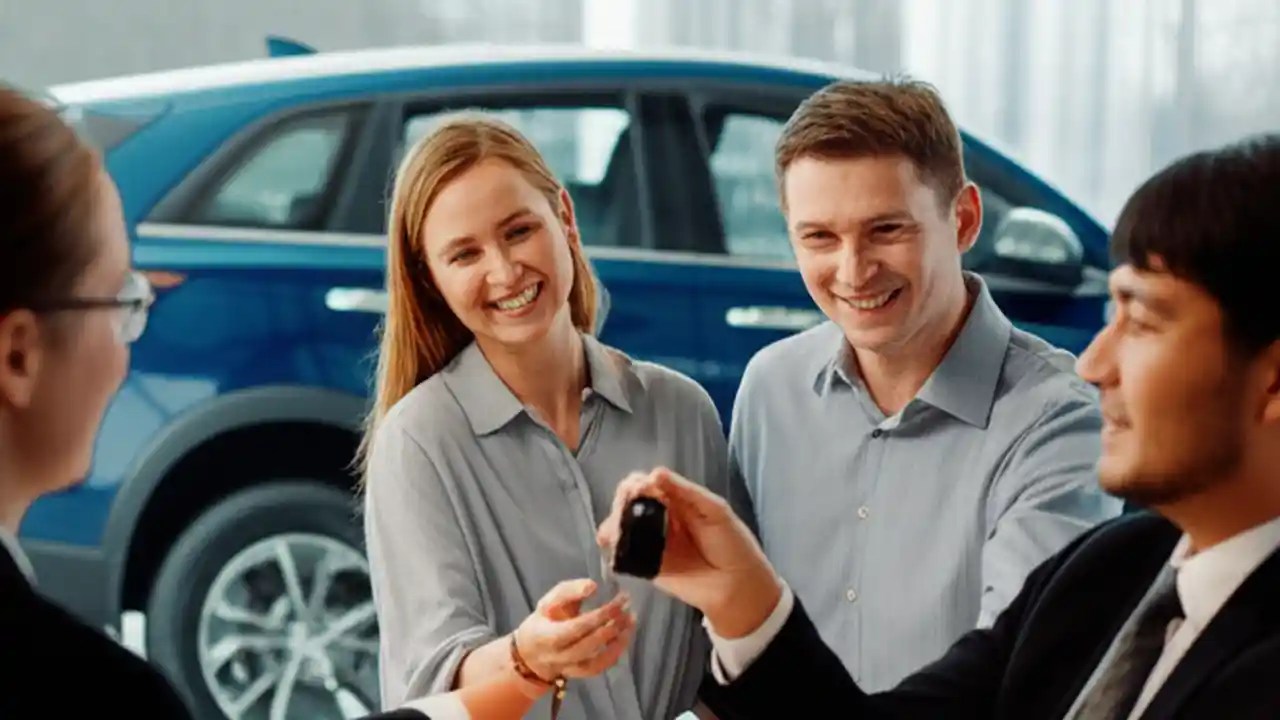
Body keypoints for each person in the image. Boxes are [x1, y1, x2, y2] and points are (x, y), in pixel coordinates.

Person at [599, 133, 1280, 719]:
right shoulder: (1110, 571)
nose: (1096, 363)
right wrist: (740, 596)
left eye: (1143, 320)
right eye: (818, 236)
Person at [0, 85, 561, 720]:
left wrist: (498, 689)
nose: (127, 347)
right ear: (19, 356)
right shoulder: (83, 694)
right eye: (122, 302)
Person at [721, 76, 1120, 690]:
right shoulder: (771, 388)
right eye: (819, 237)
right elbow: (736, 638)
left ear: (963, 220)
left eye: (886, 230)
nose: (852, 271)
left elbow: (1019, 680)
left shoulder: (1059, 422)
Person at [359, 113, 727, 720]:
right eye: (465, 254)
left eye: (518, 231)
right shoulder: (419, 442)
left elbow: (728, 638)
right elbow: (431, 684)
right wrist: (526, 660)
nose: (503, 272)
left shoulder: (682, 412)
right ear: (431, 281)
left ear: (565, 219)